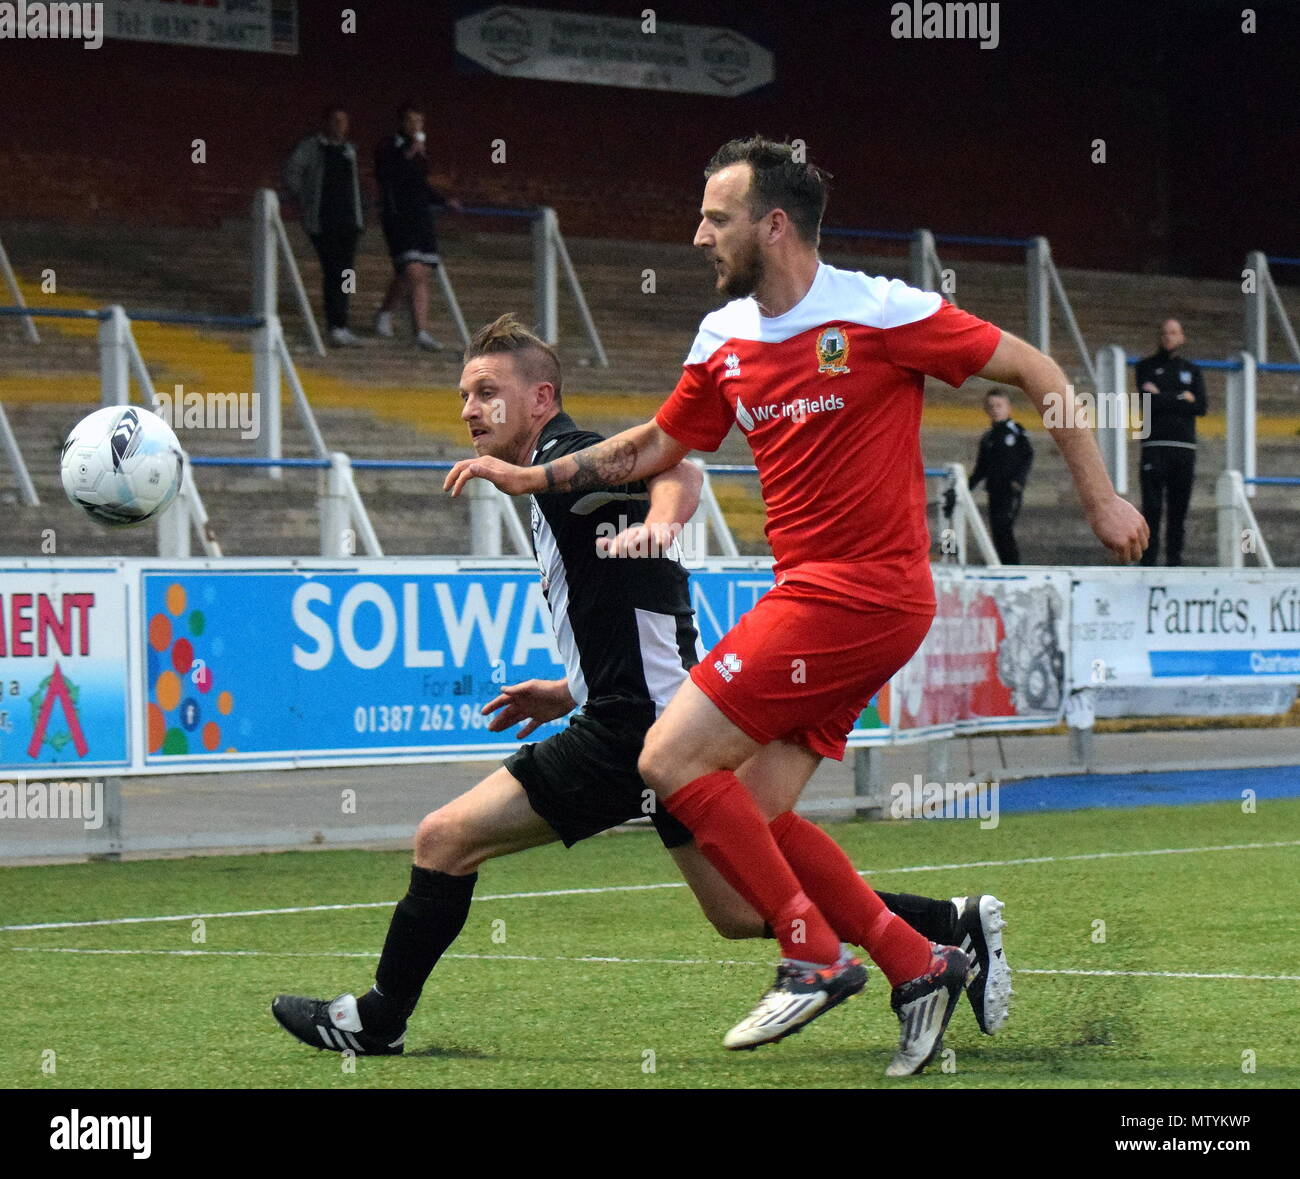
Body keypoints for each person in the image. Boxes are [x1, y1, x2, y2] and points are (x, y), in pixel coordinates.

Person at [445, 136, 1146, 1075]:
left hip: (862, 592)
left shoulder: (879, 310)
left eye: (716, 219)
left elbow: (1040, 373)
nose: (698, 236)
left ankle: (814, 953)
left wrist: (1099, 495)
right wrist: (534, 474)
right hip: (821, 599)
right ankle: (921, 959)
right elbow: (657, 444)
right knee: (751, 815)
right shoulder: (723, 338)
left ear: (774, 225)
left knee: (667, 756)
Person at [272, 314, 1012, 1059]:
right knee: (737, 908)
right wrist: (569, 687)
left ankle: (377, 1018)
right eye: (464, 394)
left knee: (444, 837)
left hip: (631, 731)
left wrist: (661, 521)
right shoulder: (558, 482)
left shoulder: (564, 458)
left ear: (540, 398)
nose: (470, 409)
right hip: (652, 715)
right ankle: (945, 927)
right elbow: (638, 613)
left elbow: (680, 469)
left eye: (487, 392)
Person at [374, 103, 461, 351]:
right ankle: (420, 330)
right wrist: (409, 153)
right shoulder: (389, 147)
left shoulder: (421, 154)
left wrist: (444, 200)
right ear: (401, 122)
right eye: (411, 121)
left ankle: (386, 313)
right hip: (398, 217)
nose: (415, 126)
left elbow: (420, 185)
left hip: (421, 218)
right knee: (413, 271)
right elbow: (388, 177)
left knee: (411, 271)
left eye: (419, 122)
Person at [282, 104, 365, 348]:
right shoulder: (312, 147)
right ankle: (335, 325)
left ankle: (341, 324)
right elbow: (292, 172)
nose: (340, 126)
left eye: (344, 122)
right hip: (323, 221)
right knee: (333, 271)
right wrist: (305, 199)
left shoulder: (350, 150)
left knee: (345, 273)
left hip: (348, 222)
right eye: (336, 121)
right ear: (326, 122)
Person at [1136, 317, 1206, 566]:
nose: (1169, 337)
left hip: (1184, 448)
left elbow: (1201, 406)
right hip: (1154, 446)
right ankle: (1148, 561)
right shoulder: (1145, 366)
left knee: (1178, 510)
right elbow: (1147, 401)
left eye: (1174, 332)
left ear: (1182, 337)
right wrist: (1181, 398)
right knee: (1152, 509)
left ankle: (1175, 561)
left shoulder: (1192, 370)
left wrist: (1162, 396)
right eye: (1165, 332)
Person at [968, 389, 1034, 564]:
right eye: (991, 406)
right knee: (997, 529)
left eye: (999, 405)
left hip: (1010, 490)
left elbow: (1027, 456)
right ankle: (1002, 564)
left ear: (1008, 408)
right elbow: (981, 467)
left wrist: (1018, 482)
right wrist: (967, 487)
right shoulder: (988, 436)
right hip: (994, 490)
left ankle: (1012, 566)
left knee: (1005, 528)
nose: (995, 409)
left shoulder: (1016, 432)